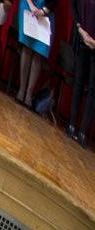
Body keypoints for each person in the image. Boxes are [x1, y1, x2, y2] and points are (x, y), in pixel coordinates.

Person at [17, 0, 57, 106]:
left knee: (38, 53)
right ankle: (21, 91)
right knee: (27, 48)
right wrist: (31, 5)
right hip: (28, 7)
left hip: (45, 12)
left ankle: (29, 95)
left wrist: (43, 11)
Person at [68, 0, 94, 146]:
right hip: (82, 38)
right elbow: (73, 5)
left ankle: (83, 132)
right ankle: (71, 124)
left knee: (92, 90)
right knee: (78, 82)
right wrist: (80, 29)